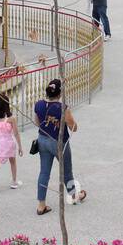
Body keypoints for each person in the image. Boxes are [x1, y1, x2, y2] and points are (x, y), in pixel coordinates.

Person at [34, 79, 86, 214]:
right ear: (60, 93)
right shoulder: (63, 108)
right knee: (67, 171)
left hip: (42, 139)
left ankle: (41, 205)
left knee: (44, 172)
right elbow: (73, 127)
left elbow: (37, 122)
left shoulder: (38, 104)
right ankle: (74, 195)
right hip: (59, 143)